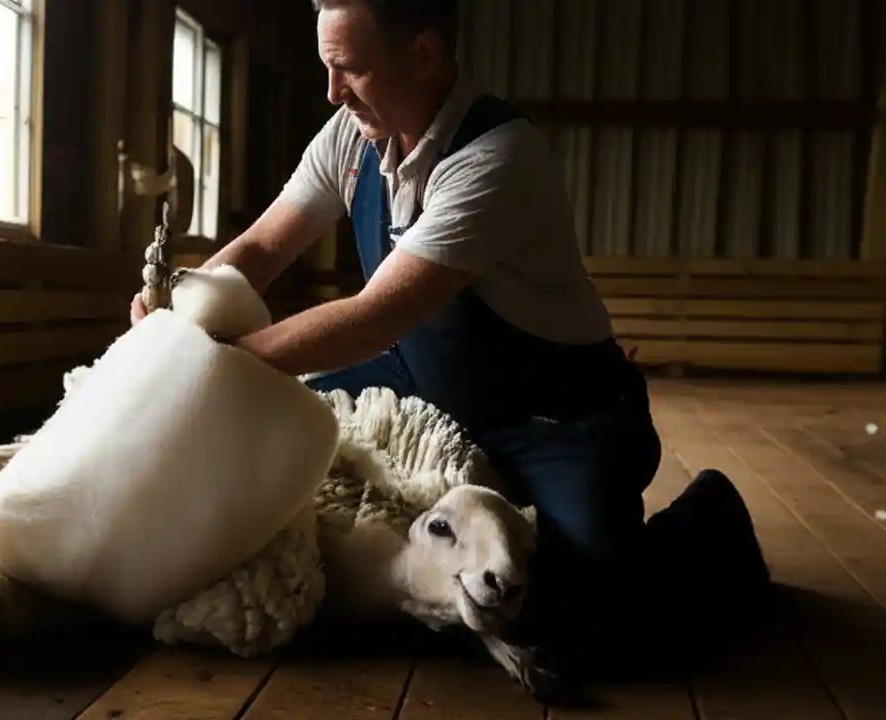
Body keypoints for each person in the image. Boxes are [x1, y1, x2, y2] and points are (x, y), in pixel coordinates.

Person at [131, 0, 769, 670]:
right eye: (327, 67)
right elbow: (262, 247)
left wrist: (218, 360)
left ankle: (713, 517)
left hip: (554, 413)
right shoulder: (351, 135)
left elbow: (373, 316)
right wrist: (180, 307)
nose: (331, 91)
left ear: (426, 55)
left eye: (348, 69)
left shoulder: (497, 156)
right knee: (281, 442)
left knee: (569, 611)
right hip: (425, 376)